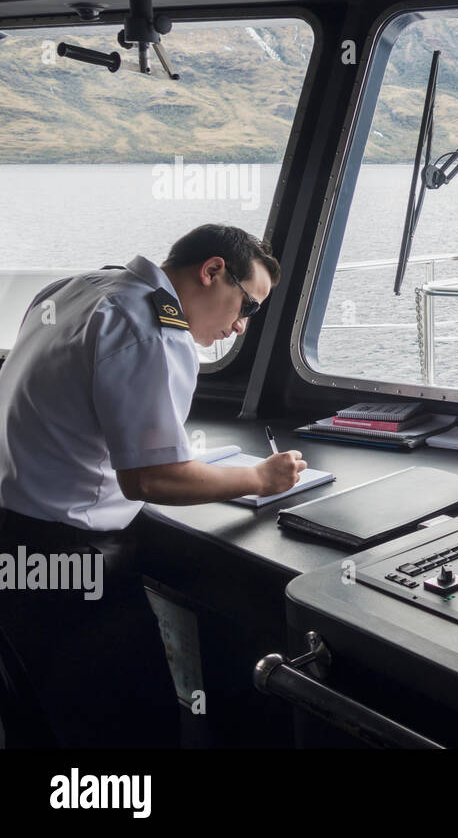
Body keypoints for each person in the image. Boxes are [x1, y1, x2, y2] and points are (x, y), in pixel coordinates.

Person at [0, 224, 307, 747]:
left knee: (39, 714)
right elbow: (149, 477)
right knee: (130, 729)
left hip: (14, 533)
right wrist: (259, 476)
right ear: (211, 271)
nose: (239, 328)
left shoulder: (76, 287)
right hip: (66, 556)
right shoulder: (152, 327)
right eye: (247, 306)